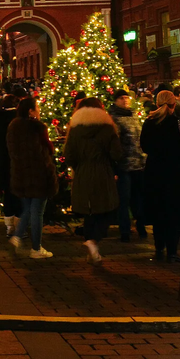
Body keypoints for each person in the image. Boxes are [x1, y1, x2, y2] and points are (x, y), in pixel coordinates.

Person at [140, 90, 180, 263]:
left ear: (157, 103)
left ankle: (159, 246)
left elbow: (144, 146)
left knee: (159, 210)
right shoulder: (178, 123)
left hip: (154, 172)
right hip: (176, 172)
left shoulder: (149, 123)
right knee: (174, 211)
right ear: (173, 104)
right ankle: (173, 251)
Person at [64, 97, 123, 263]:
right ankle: (93, 241)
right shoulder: (107, 127)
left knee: (89, 211)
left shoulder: (75, 129)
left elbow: (69, 155)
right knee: (108, 208)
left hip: (83, 172)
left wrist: (79, 166)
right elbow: (116, 153)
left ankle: (92, 250)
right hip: (103, 172)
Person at [6, 96, 57, 258]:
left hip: (21, 173)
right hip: (38, 175)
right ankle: (36, 248)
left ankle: (18, 236)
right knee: (37, 212)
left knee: (28, 208)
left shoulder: (13, 127)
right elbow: (47, 151)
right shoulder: (38, 128)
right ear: (31, 111)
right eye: (37, 107)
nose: (39, 110)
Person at [110, 89, 148, 241]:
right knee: (124, 199)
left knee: (138, 198)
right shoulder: (113, 118)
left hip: (138, 164)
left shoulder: (134, 115)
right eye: (121, 98)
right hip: (123, 165)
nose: (125, 100)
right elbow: (114, 143)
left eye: (127, 97)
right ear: (116, 101)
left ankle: (141, 225)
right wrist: (116, 164)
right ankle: (124, 230)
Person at [0, 92, 22, 237]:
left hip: (3, 161)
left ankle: (9, 225)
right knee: (19, 193)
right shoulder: (18, 120)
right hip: (16, 161)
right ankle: (18, 225)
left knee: (8, 194)